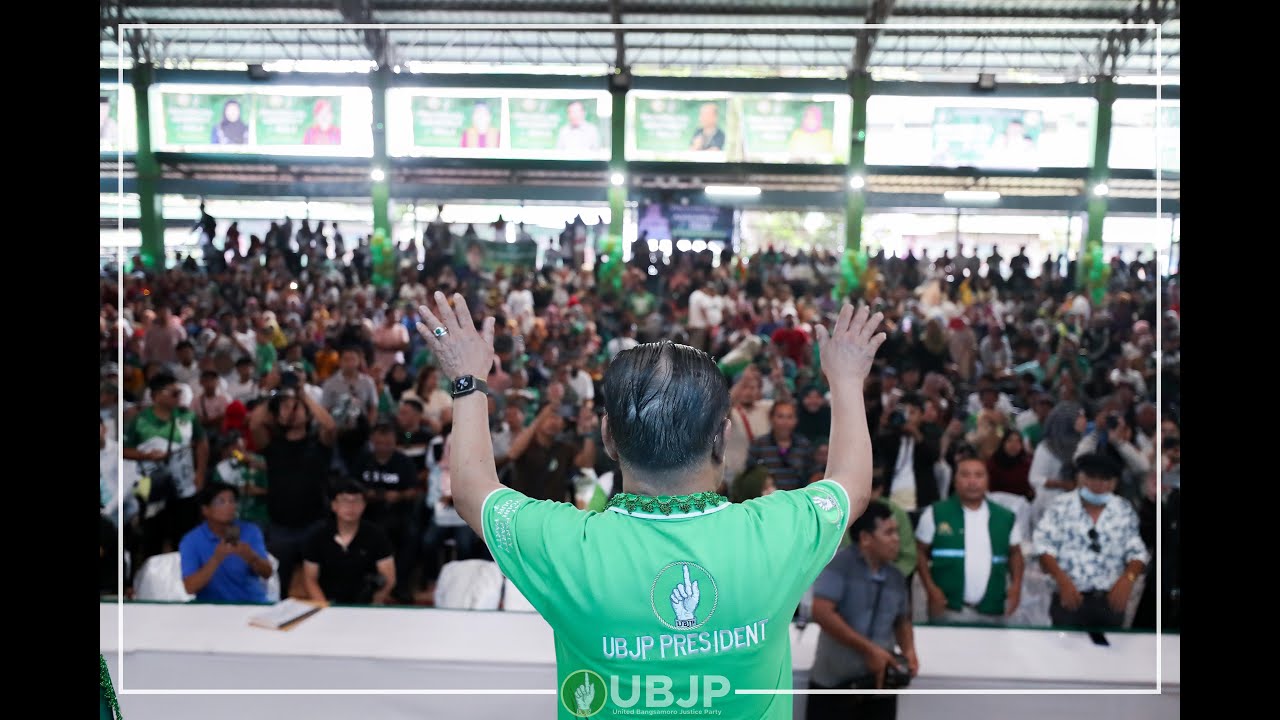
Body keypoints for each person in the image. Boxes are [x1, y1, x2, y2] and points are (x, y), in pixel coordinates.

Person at [414, 292, 882, 718]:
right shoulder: (777, 533)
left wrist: (467, 380)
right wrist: (846, 378)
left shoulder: (567, 546)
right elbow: (851, 485)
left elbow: (472, 491)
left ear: (608, 439)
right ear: (723, 435)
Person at [808, 502, 918, 720]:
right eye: (889, 533)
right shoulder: (838, 566)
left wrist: (909, 651)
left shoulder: (896, 577)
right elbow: (821, 612)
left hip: (879, 687)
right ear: (866, 538)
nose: (897, 539)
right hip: (835, 687)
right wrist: (870, 650)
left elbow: (902, 620)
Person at [1032, 453, 1149, 630]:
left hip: (1110, 601)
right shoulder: (1060, 506)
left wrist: (1128, 578)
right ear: (1079, 478)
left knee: (1109, 654)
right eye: (1091, 478)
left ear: (1114, 483)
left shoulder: (1123, 508)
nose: (1097, 485)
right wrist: (1062, 580)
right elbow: (1043, 548)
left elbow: (1138, 552)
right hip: (1069, 598)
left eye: (1104, 480)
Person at [249, 379, 337, 600]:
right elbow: (254, 425)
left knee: (321, 582)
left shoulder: (318, 444)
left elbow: (330, 426)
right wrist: (274, 391)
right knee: (279, 584)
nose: (292, 410)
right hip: (281, 527)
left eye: (296, 406)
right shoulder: (273, 445)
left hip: (314, 524)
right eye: (286, 407)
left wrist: (303, 394)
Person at [915, 453, 1024, 625]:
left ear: (988, 480)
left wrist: (1016, 586)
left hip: (993, 610)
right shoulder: (936, 513)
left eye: (979, 475)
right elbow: (919, 551)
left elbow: (1015, 553)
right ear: (955, 480)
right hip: (948, 609)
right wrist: (931, 589)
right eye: (965, 475)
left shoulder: (1005, 517)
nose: (972, 482)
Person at [122, 372, 209, 555]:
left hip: (185, 488)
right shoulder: (139, 420)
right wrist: (146, 456)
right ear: (156, 395)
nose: (178, 396)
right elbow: (124, 450)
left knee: (185, 540)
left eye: (179, 392)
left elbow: (202, 443)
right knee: (152, 540)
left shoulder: (188, 417)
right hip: (152, 489)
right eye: (173, 392)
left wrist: (200, 472)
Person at [302, 480, 396, 605]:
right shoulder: (318, 537)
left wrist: (373, 604)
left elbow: (389, 578)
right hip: (329, 602)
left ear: (364, 505)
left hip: (366, 604)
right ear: (334, 505)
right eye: (345, 501)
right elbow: (310, 579)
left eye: (356, 501)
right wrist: (325, 607)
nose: (351, 507)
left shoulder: (376, 535)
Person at [179, 482, 273, 603]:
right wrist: (217, 558)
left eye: (232, 501)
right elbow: (190, 588)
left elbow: (267, 573)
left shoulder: (250, 531)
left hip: (251, 603)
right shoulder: (191, 540)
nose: (229, 506)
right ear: (206, 510)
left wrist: (251, 556)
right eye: (221, 502)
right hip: (211, 608)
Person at [747, 400, 815, 492]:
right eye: (780, 416)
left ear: (796, 420)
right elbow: (750, 476)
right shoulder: (759, 444)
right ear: (771, 418)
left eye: (790, 417)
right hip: (766, 500)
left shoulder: (804, 445)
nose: (785, 422)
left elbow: (812, 474)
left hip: (796, 500)